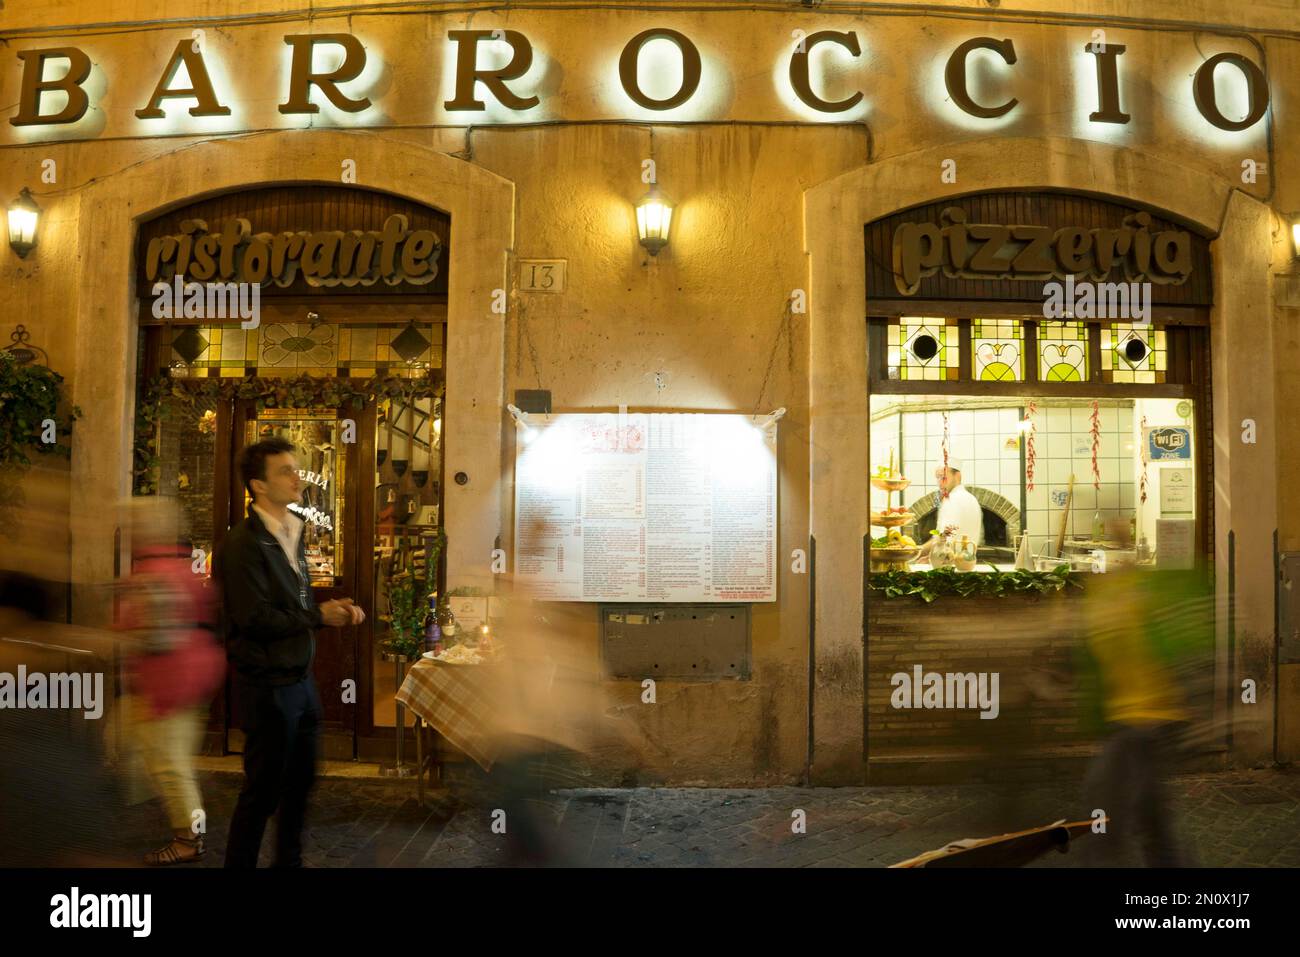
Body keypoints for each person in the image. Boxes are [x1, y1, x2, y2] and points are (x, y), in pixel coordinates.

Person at [215, 437, 365, 868]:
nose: (297, 477)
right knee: (262, 791)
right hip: (265, 685)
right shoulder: (243, 544)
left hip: (299, 680)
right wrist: (320, 616)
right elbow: (254, 618)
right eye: (285, 470)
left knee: (300, 784)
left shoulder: (292, 532)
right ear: (259, 485)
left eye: (296, 468)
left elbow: (292, 606)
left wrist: (324, 611)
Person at [117, 496, 225, 865]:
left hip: (167, 682)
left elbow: (150, 632)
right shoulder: (184, 566)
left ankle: (188, 839)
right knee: (170, 759)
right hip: (195, 675)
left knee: (170, 765)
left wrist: (114, 633)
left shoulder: (151, 573)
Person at [917, 457, 982, 560]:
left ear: (958, 476)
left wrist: (913, 552)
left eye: (943, 477)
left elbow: (942, 538)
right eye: (937, 477)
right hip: (968, 562)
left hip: (949, 565)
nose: (939, 482)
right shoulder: (972, 499)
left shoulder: (951, 499)